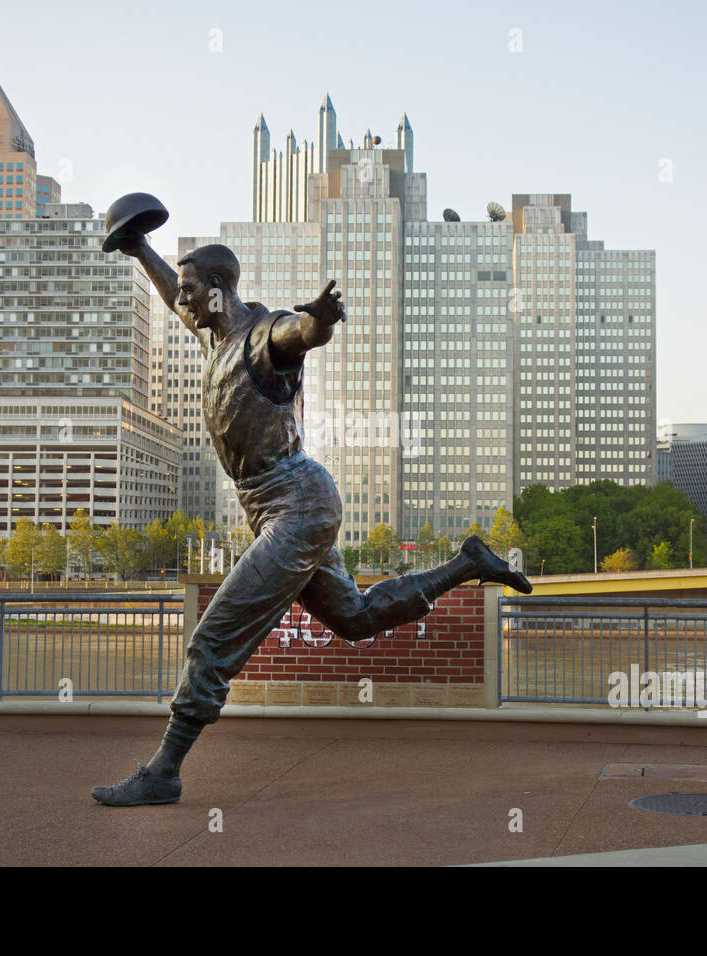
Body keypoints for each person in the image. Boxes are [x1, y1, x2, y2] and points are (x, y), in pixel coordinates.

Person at [91, 234, 531, 807]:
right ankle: (466, 563)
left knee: (214, 637)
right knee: (354, 618)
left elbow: (295, 335)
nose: (183, 301)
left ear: (219, 294)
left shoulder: (262, 335)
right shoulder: (214, 332)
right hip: (291, 507)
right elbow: (174, 289)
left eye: (194, 291)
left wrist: (316, 322)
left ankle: (164, 772)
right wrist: (138, 247)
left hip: (296, 507)